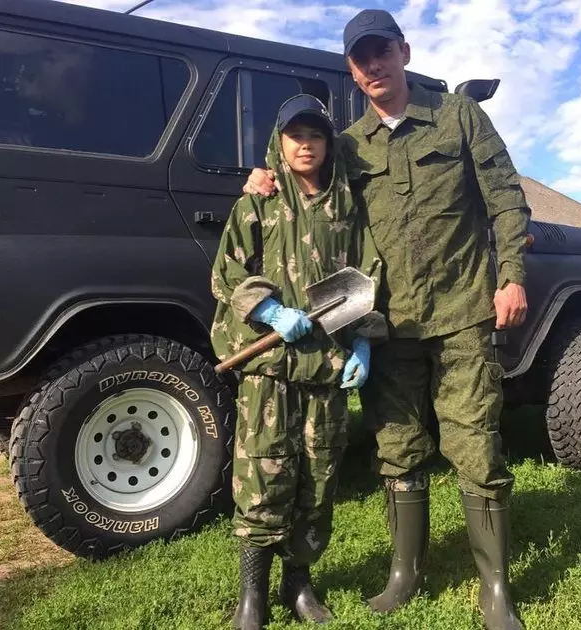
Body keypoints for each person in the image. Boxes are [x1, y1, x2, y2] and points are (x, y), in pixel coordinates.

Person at [243, 9, 531, 630]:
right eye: (360, 57)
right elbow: (306, 187)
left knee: (475, 443)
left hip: (460, 312)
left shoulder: (458, 116)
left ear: (403, 51)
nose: (373, 65)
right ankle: (404, 574)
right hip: (389, 324)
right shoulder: (346, 144)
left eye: (381, 52)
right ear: (351, 69)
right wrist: (261, 179)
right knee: (398, 450)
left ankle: (495, 590)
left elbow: (505, 198)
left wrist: (511, 276)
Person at [210, 93, 387, 630]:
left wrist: (363, 342)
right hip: (269, 370)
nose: (305, 144)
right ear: (280, 143)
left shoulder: (349, 208)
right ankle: (252, 598)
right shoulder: (256, 202)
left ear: (329, 143)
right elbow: (226, 273)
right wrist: (267, 308)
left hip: (326, 370)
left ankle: (299, 586)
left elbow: (367, 278)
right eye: (295, 136)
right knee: (262, 475)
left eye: (314, 135)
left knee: (318, 480)